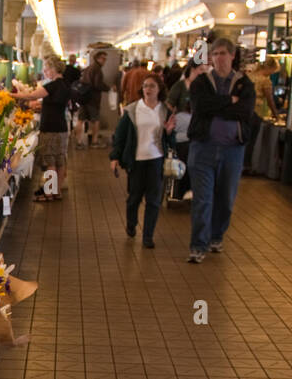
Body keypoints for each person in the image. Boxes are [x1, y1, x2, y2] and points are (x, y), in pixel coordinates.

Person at [185, 36, 256, 263]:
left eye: (222, 54)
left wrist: (219, 105)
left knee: (226, 198)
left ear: (232, 56)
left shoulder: (245, 84)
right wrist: (229, 102)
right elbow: (200, 107)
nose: (218, 58)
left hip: (232, 150)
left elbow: (245, 112)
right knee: (203, 199)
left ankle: (217, 236)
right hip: (203, 148)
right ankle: (198, 244)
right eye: (214, 54)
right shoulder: (201, 82)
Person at [110, 75, 176, 248]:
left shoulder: (165, 111)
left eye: (152, 86)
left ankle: (148, 236)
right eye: (146, 86)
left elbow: (172, 142)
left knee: (154, 200)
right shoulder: (132, 110)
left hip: (156, 160)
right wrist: (115, 157)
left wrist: (169, 132)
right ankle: (131, 224)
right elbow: (120, 135)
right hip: (136, 161)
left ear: (159, 89)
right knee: (134, 197)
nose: (148, 89)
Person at [14, 55, 70, 202]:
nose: (45, 71)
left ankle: (49, 193)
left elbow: (31, 95)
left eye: (46, 68)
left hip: (50, 128)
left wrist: (11, 94)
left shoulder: (51, 86)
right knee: (60, 161)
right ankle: (56, 191)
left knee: (50, 161)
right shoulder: (64, 85)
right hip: (61, 128)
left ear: (53, 69)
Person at [166, 61, 208, 201]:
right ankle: (183, 190)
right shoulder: (180, 86)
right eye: (201, 69)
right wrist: (172, 120)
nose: (203, 72)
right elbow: (169, 104)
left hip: (198, 130)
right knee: (186, 154)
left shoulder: (206, 87)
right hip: (182, 130)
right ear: (193, 69)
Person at [75, 49, 109, 148]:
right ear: (98, 58)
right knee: (95, 120)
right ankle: (94, 142)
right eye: (103, 58)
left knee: (80, 120)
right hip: (93, 98)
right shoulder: (97, 69)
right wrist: (108, 88)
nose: (104, 61)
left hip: (83, 97)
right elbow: (97, 85)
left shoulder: (89, 68)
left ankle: (79, 142)